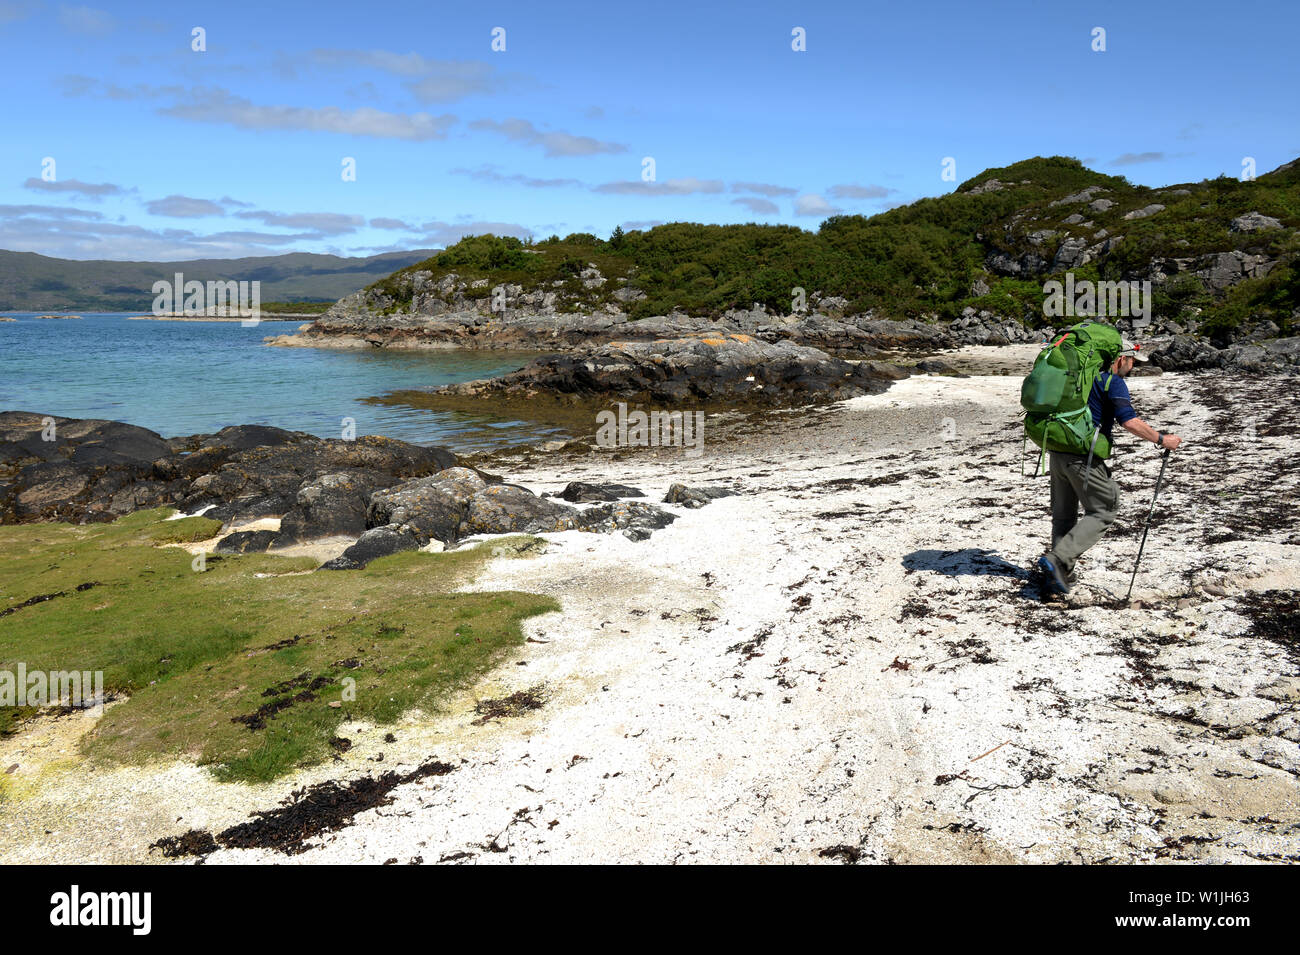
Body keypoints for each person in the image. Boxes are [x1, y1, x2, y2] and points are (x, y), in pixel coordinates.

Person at [1037, 340, 1183, 594]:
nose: (1133, 367)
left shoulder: (1079, 377)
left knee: (1064, 516)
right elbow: (1129, 421)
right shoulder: (1112, 382)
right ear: (1120, 359)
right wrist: (1162, 439)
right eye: (1132, 362)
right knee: (1105, 508)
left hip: (1058, 452)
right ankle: (1058, 561)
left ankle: (1058, 579)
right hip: (1083, 456)